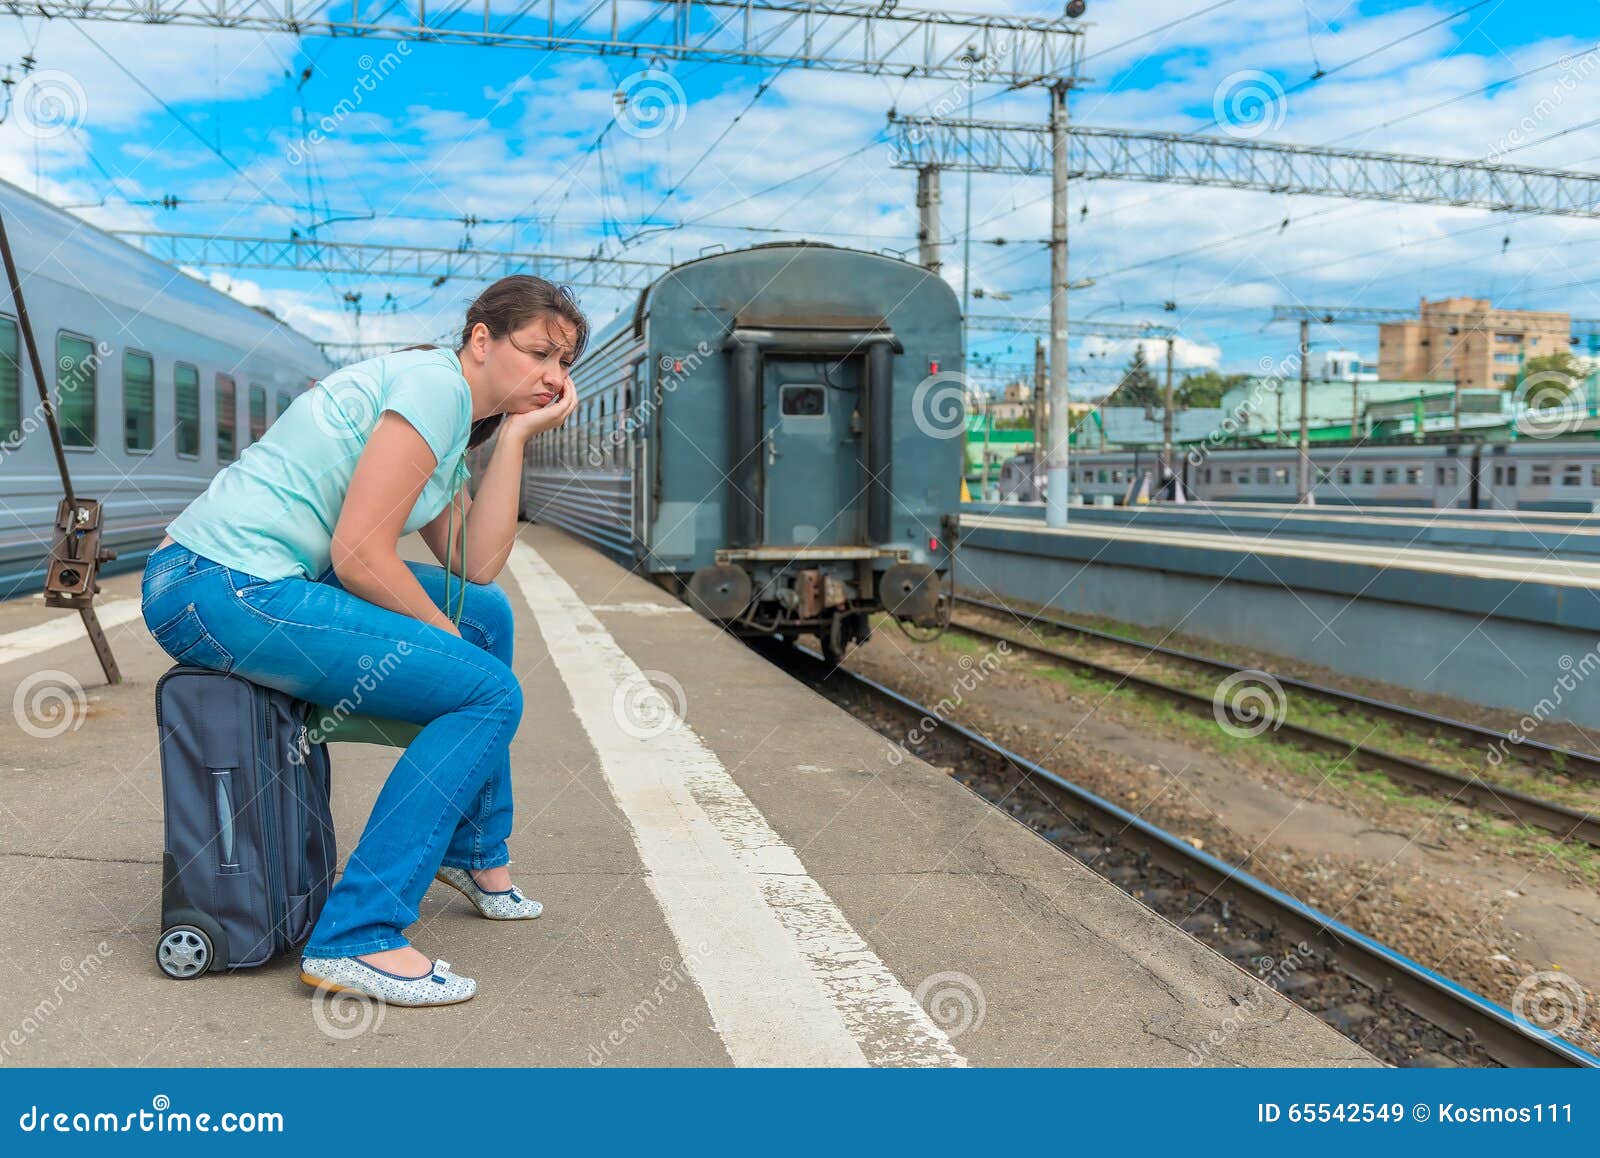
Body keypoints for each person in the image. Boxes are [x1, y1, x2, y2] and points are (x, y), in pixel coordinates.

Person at [140, 275, 584, 1006]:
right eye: (540, 352)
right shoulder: (433, 389)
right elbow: (361, 554)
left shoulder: (453, 413)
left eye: (564, 363)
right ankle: (360, 935)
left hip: (241, 582)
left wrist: (516, 437)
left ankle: (471, 850)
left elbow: (474, 564)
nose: (554, 376)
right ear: (481, 340)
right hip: (218, 586)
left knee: (486, 616)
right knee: (486, 690)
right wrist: (446, 644)